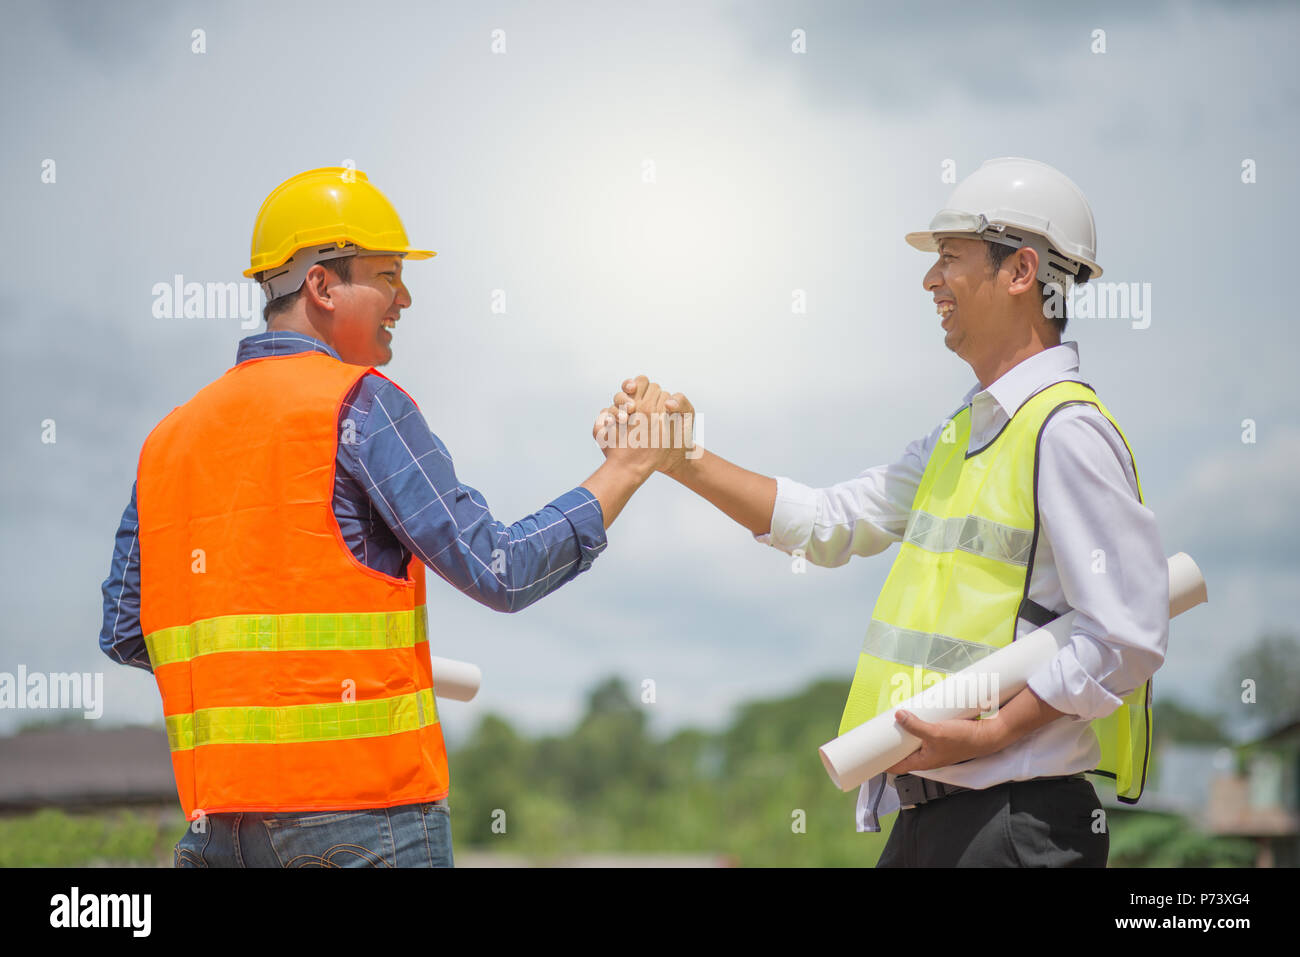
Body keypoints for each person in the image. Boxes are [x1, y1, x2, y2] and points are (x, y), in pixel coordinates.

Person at [99, 166, 679, 868]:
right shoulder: (362, 405)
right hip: (362, 825)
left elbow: (129, 630)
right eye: (389, 276)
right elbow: (502, 568)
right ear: (321, 285)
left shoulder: (167, 439)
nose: (405, 298)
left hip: (216, 832)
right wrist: (627, 467)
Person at [608, 158, 1170, 866]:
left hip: (1014, 821)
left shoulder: (1066, 431)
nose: (931, 281)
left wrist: (994, 733)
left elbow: (1129, 634)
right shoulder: (960, 435)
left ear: (1021, 271)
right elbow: (826, 523)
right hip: (934, 819)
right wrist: (681, 458)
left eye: (949, 259)